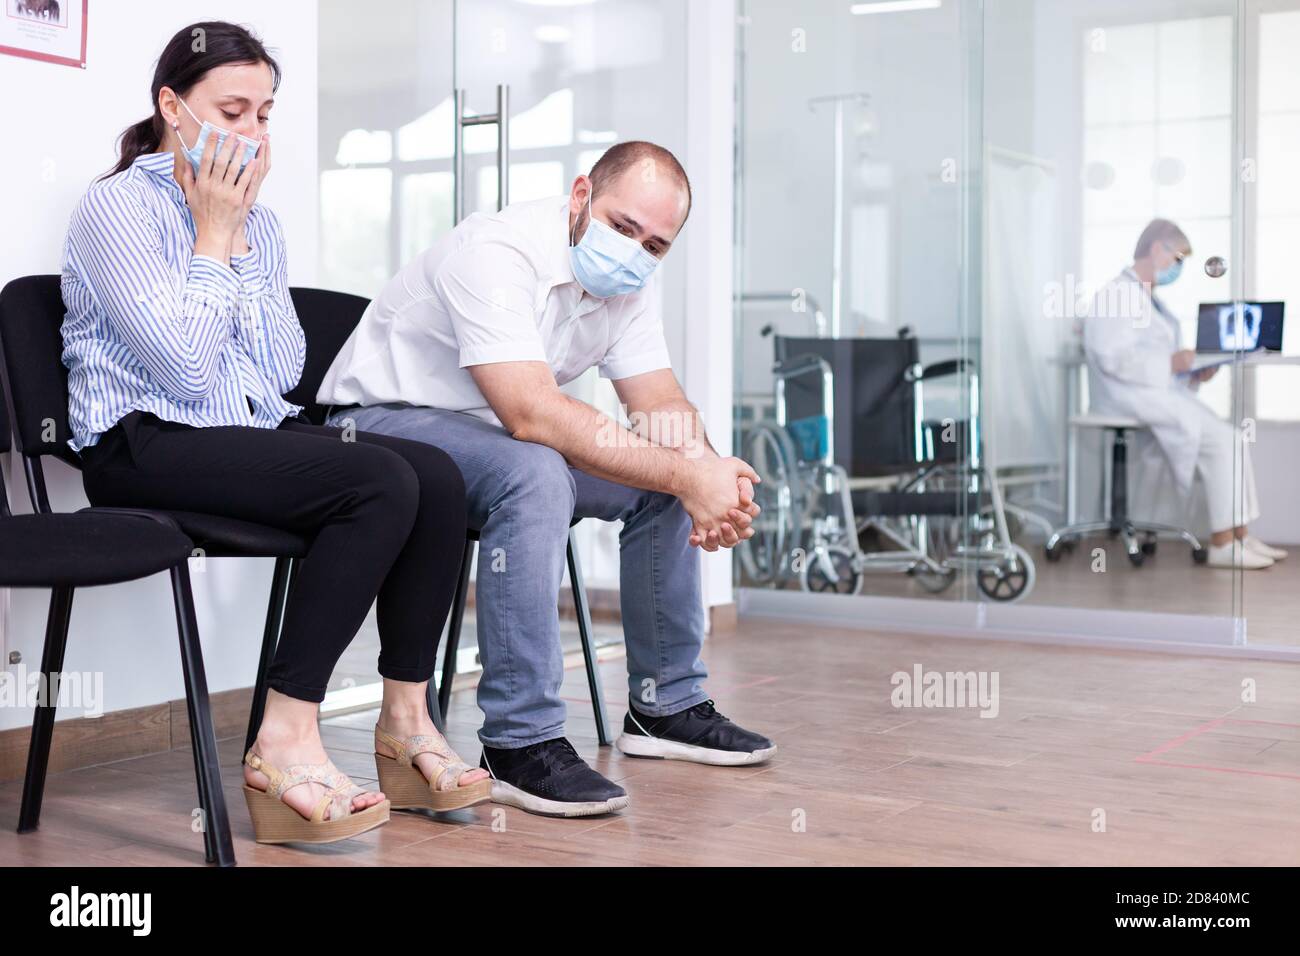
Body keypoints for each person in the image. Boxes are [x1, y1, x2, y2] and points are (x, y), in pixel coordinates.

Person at [61, 21, 489, 845]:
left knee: (434, 474)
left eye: (264, 114)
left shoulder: (264, 219)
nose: (253, 132)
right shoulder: (116, 209)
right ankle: (284, 739)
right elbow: (185, 372)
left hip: (236, 436)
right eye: (233, 109)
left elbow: (284, 367)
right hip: (142, 443)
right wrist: (214, 235)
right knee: (381, 481)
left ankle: (406, 722)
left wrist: (245, 236)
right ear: (171, 107)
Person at [317, 141, 776, 817]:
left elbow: (661, 407)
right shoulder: (497, 252)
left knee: (661, 481)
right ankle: (518, 743)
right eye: (623, 228)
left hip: (490, 435)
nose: (634, 251)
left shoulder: (627, 286)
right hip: (382, 426)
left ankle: (665, 704)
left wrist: (708, 476)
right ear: (582, 194)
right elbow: (532, 413)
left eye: (655, 245)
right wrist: (689, 473)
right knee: (535, 471)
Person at [1084, 218, 1285, 570]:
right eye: (1178, 259)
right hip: (1124, 395)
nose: (1178, 267)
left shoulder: (1150, 299)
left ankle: (1240, 535)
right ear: (1157, 248)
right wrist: (1171, 362)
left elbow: (1159, 362)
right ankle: (1222, 544)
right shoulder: (1116, 294)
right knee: (1223, 442)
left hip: (1153, 392)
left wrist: (1193, 374)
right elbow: (1108, 355)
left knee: (1234, 439)